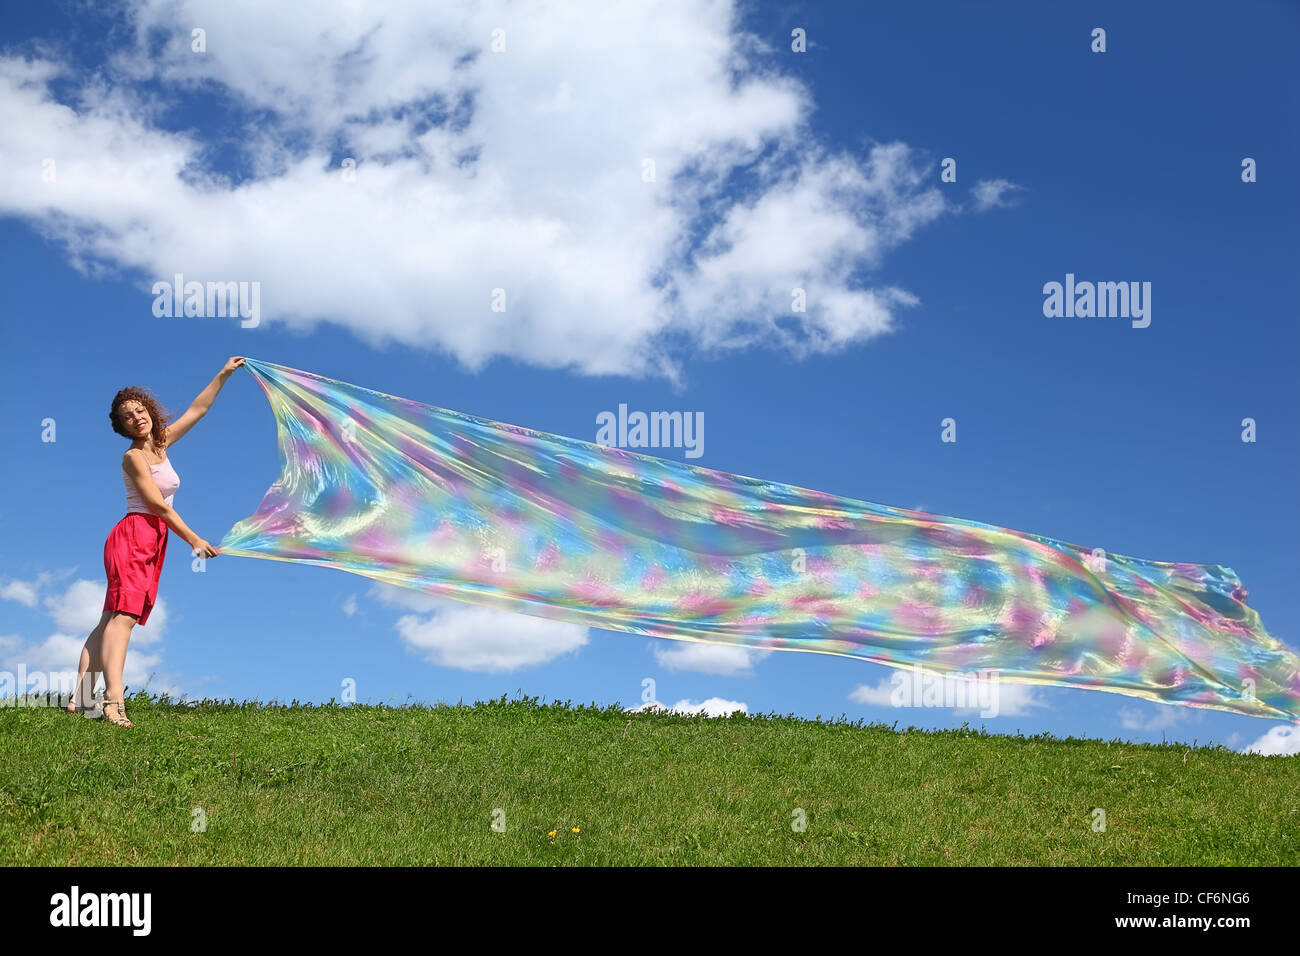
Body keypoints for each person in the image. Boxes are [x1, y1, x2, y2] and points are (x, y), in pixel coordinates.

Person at [67, 357, 244, 727]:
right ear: (122, 426)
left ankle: (80, 700)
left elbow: (198, 409)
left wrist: (224, 374)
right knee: (124, 618)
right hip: (135, 535)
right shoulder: (133, 457)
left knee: (108, 620)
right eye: (128, 416)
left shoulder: (162, 443)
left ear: (149, 409)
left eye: (139, 409)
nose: (137, 417)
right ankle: (112, 702)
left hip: (152, 538)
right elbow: (159, 507)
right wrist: (195, 539)